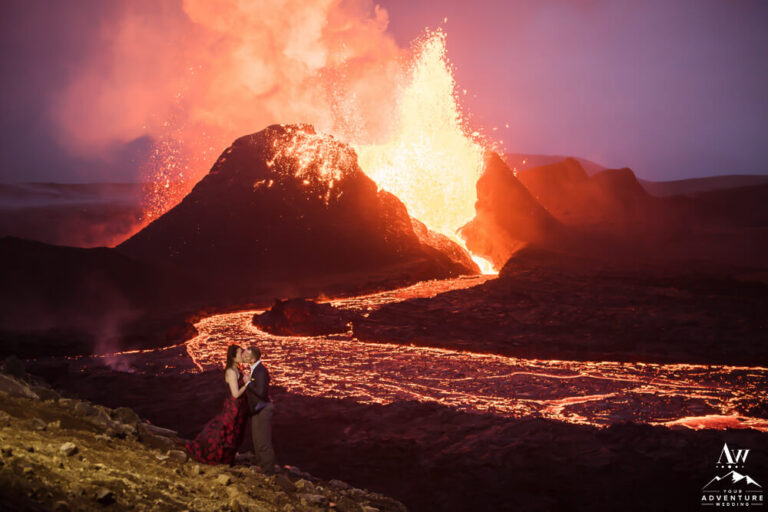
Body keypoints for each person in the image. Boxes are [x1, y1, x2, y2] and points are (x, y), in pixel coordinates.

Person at [185, 344, 250, 465]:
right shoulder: (231, 372)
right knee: (227, 432)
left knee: (235, 434)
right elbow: (235, 394)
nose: (243, 355)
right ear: (233, 356)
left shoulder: (237, 369)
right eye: (240, 353)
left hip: (240, 408)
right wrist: (247, 384)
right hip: (234, 408)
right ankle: (215, 456)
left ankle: (226, 459)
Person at [243, 346, 276, 473]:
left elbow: (261, 392)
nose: (244, 356)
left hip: (262, 409)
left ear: (254, 358)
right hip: (257, 410)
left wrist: (247, 383)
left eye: (247, 355)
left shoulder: (261, 371)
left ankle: (268, 472)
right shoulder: (255, 369)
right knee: (258, 440)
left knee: (263, 442)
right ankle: (263, 467)